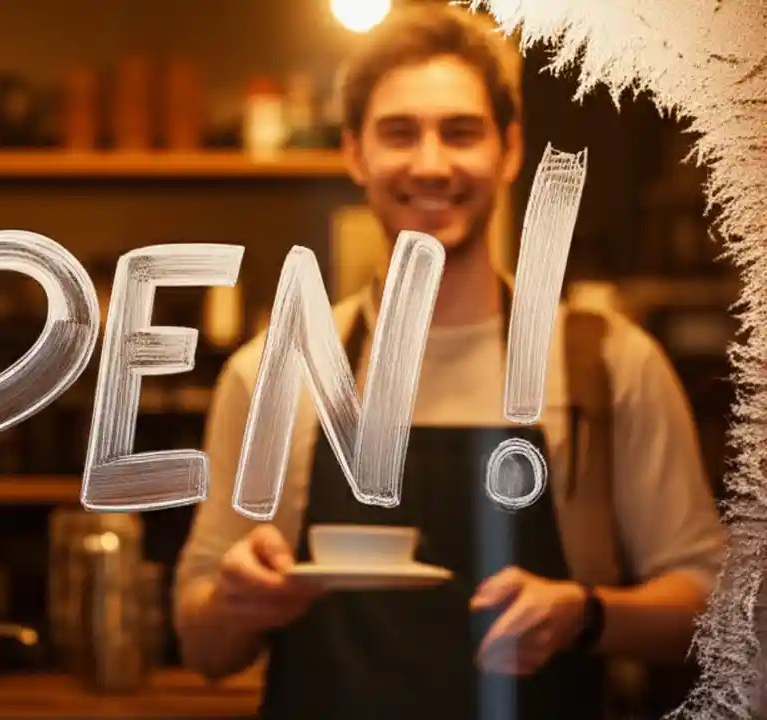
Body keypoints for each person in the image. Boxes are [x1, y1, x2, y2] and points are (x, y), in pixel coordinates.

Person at [172, 4, 726, 719]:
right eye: (399, 133)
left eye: (460, 132)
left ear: (510, 150)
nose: (431, 164)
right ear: (355, 154)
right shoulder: (276, 372)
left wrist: (586, 613)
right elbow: (202, 645)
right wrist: (237, 600)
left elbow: (714, 608)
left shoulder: (610, 365)